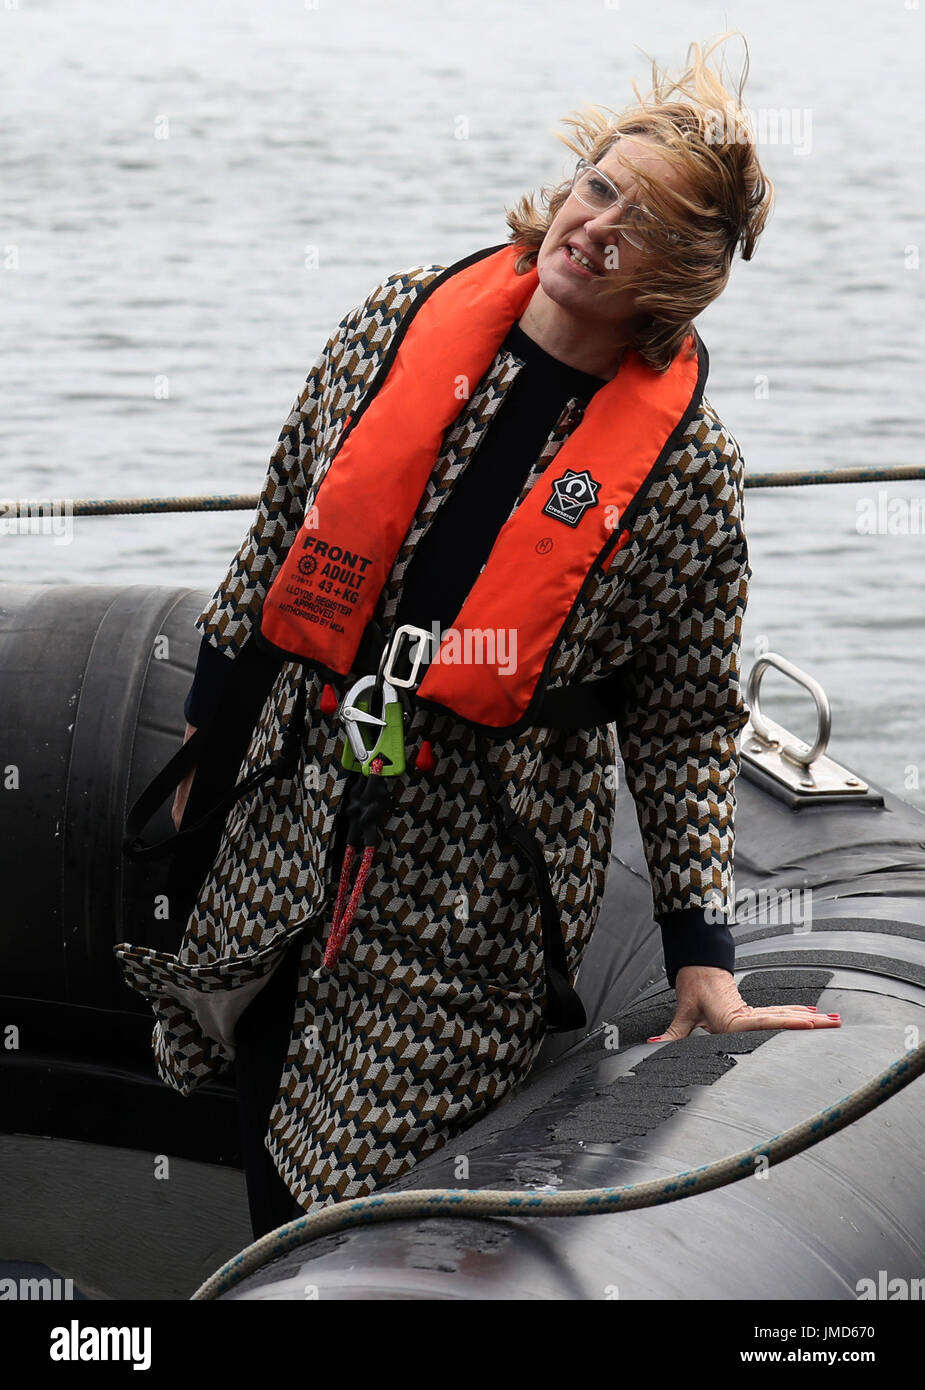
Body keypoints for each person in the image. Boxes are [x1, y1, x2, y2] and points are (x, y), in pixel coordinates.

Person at [115, 34, 841, 1242]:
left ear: (685, 276)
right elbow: (272, 554)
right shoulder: (403, 319)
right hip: (293, 808)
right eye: (600, 186)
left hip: (472, 885)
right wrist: (205, 757)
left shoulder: (686, 476)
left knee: (372, 1181)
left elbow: (681, 721)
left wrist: (701, 954)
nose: (600, 228)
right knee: (264, 1106)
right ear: (568, 184)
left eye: (647, 228)